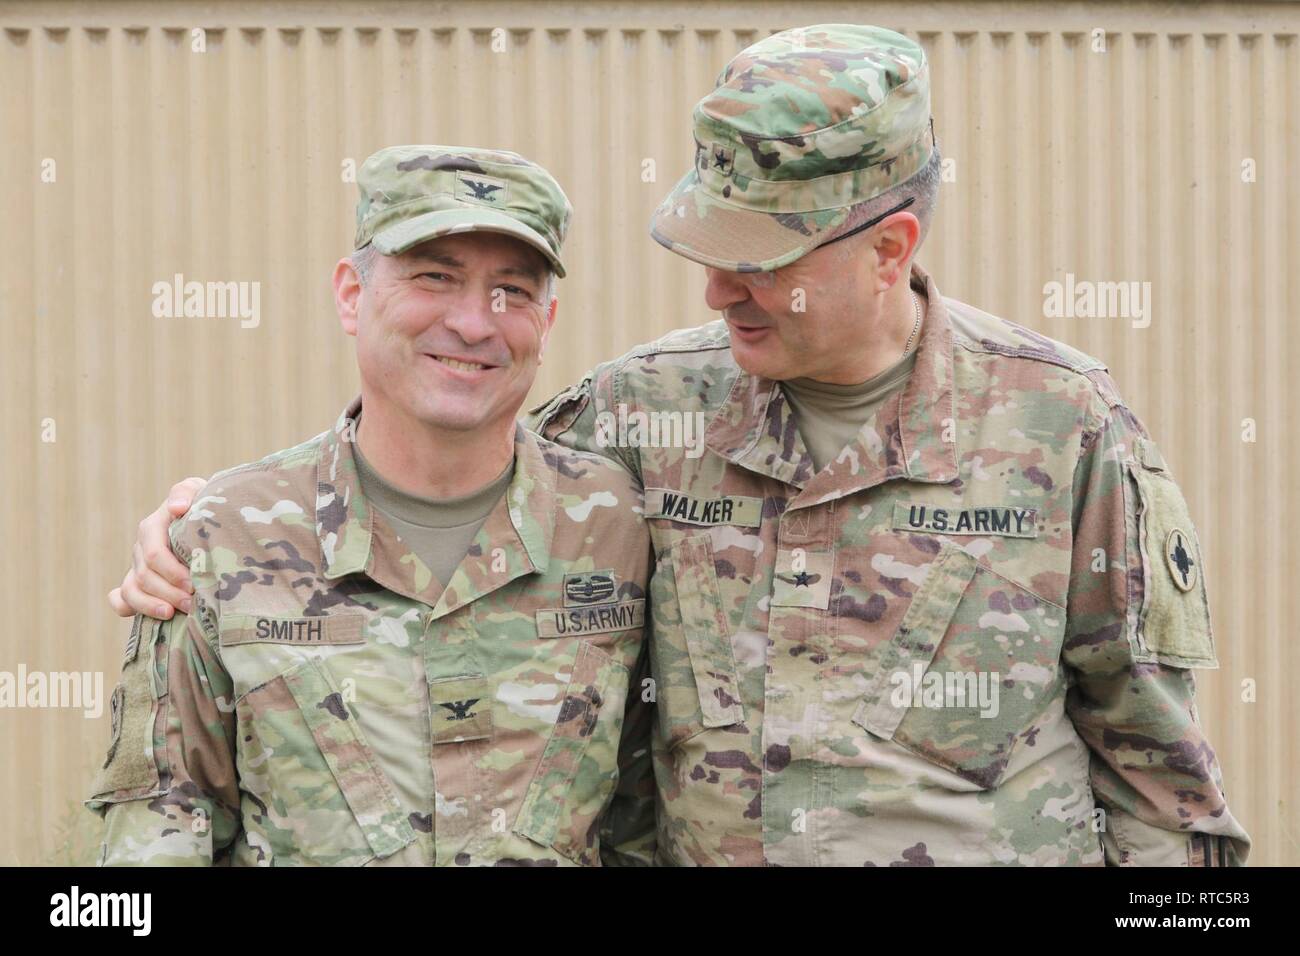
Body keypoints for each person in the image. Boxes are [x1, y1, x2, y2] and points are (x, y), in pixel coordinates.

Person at [113, 25, 1250, 866]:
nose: (715, 288)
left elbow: (1162, 779)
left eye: (759, 260)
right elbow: (432, 479)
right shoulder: (642, 416)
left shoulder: (1065, 424)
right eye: (708, 245)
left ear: (886, 245)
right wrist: (194, 536)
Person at [89, 144, 655, 866]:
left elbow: (651, 817)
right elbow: (156, 836)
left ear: (546, 321)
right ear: (352, 295)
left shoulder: (616, 527)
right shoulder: (224, 539)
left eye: (511, 290)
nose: (476, 323)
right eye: (434, 278)